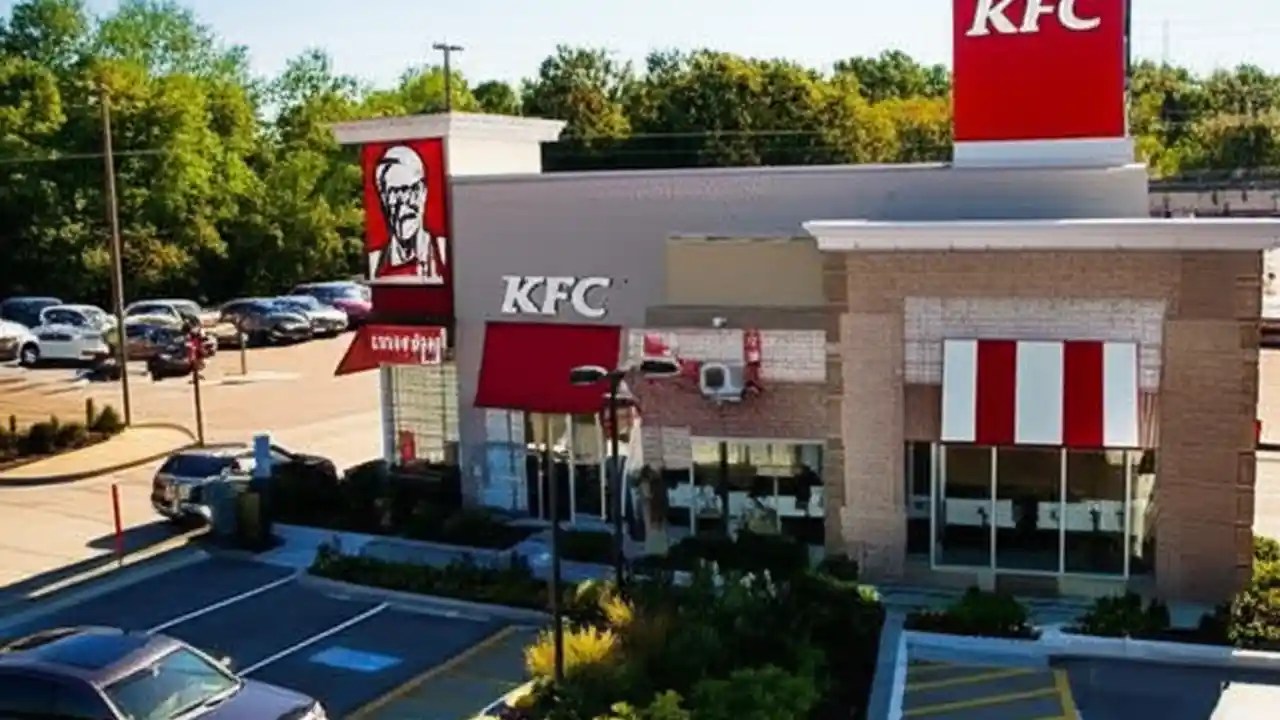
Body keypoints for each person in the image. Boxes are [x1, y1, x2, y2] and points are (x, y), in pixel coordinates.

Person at [370, 144, 447, 283]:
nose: (403, 202)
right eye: (394, 192)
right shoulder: (374, 263)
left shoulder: (443, 251)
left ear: (423, 192)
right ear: (384, 198)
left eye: (410, 190)